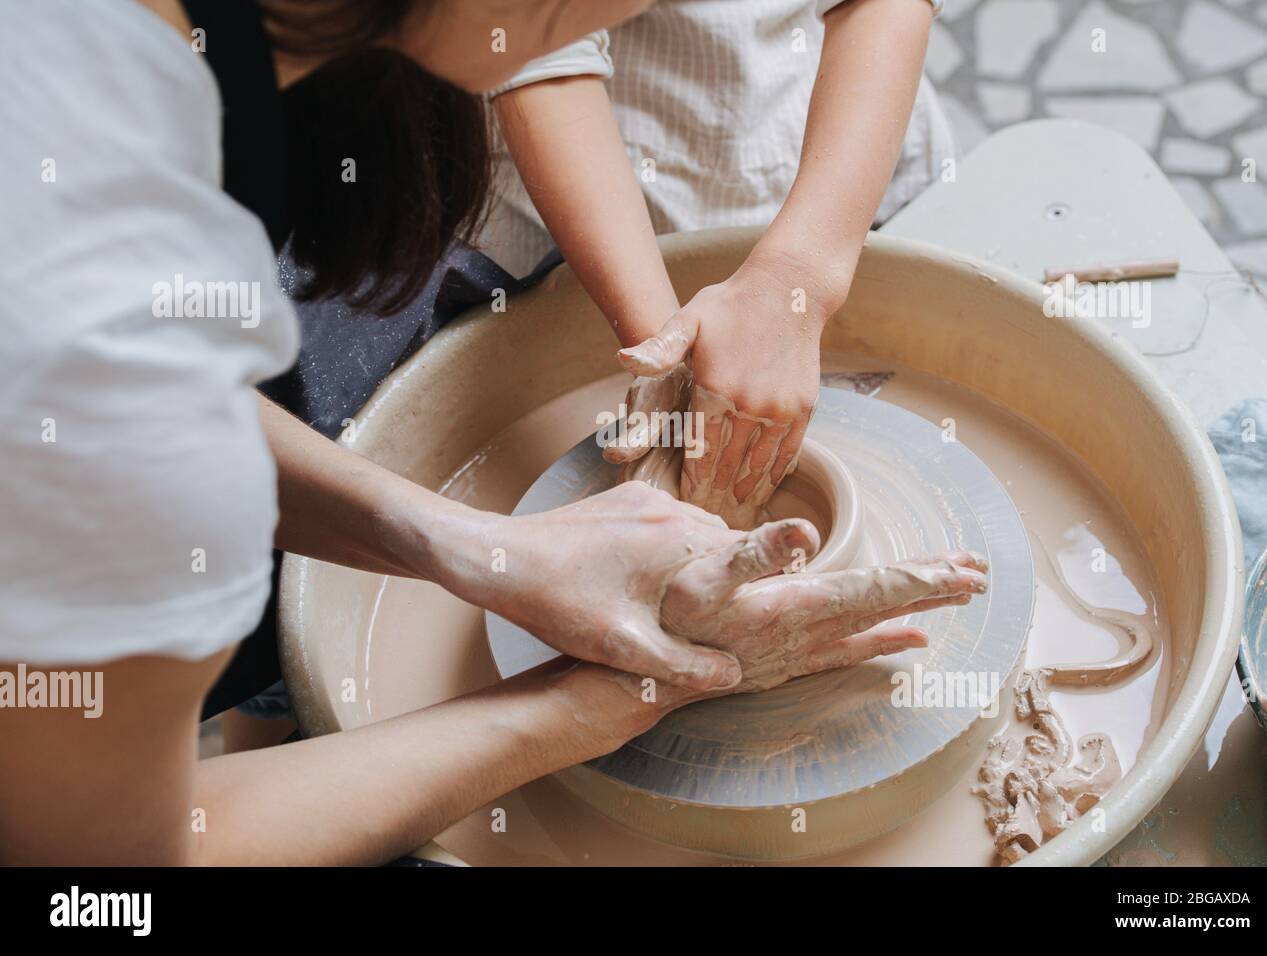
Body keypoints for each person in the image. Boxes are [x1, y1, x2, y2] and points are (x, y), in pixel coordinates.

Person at [0, 0, 984, 865]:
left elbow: (181, 400)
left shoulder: (141, 73)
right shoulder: (88, 323)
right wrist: (611, 700)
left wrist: (487, 550)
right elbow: (101, 885)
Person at [483, 0, 952, 528]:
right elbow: (539, 48)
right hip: (593, 177)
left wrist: (797, 277)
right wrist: (665, 354)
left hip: (839, 131)